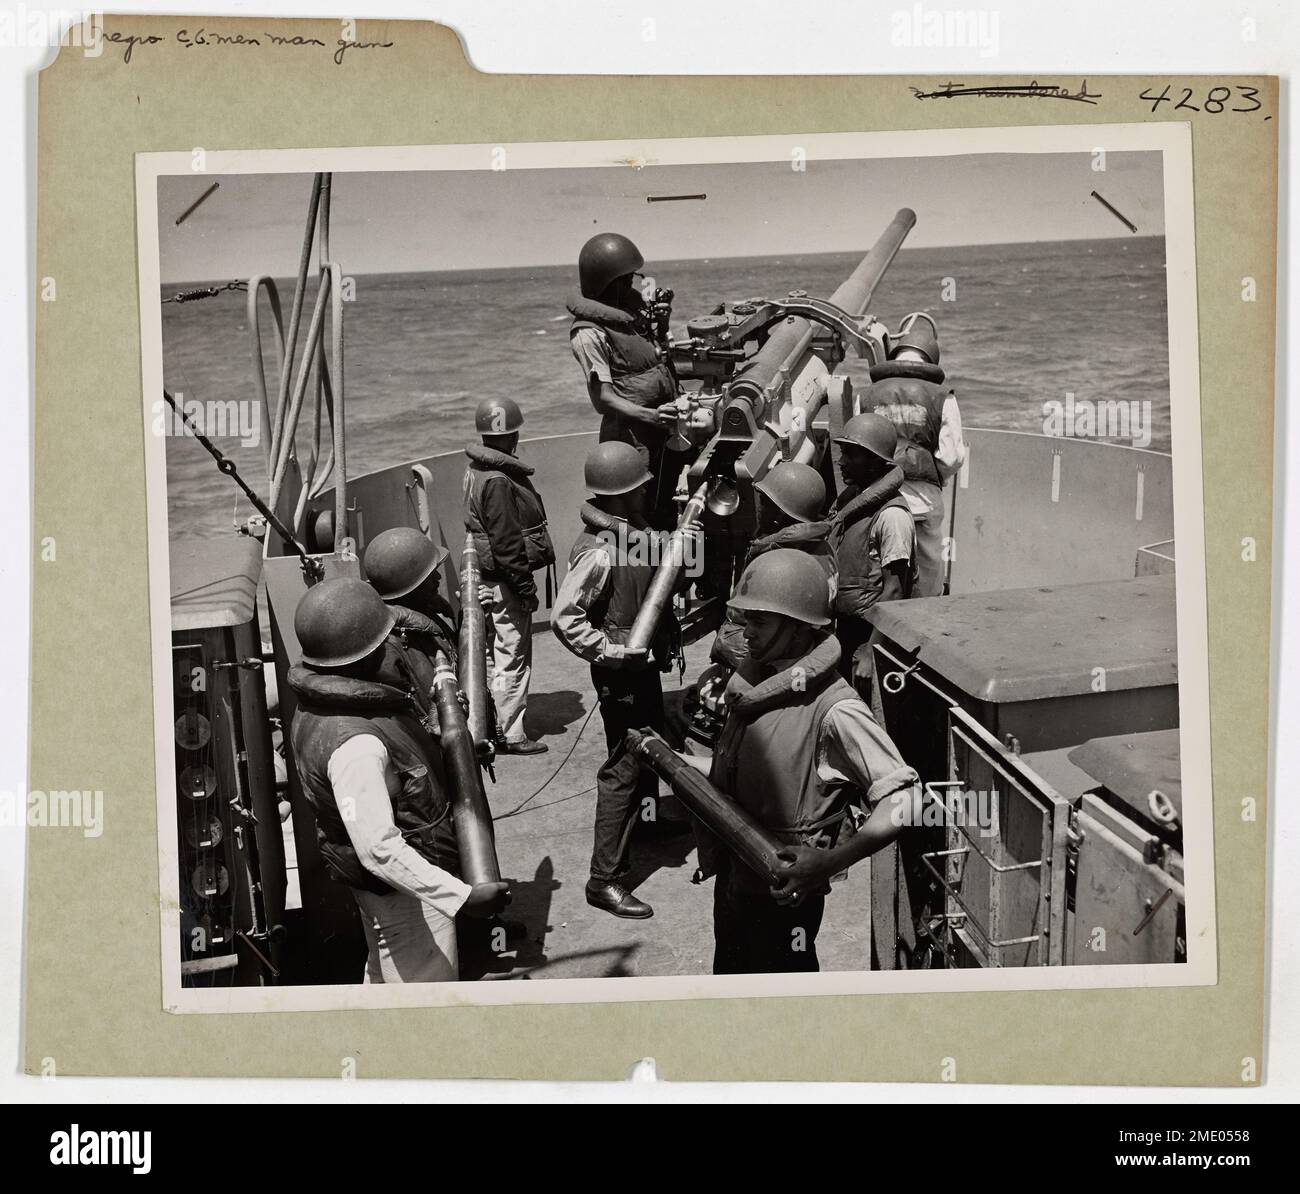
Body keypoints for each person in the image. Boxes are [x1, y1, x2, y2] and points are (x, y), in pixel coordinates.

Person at [683, 549, 921, 975]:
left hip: (783, 906)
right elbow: (738, 777)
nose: (745, 632)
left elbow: (905, 798)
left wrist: (832, 861)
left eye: (759, 621)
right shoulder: (758, 687)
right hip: (735, 888)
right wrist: (673, 763)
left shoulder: (835, 710)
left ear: (797, 628)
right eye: (745, 618)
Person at [286, 577, 508, 983]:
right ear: (367, 653)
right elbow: (379, 850)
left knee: (384, 970)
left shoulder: (320, 705)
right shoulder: (355, 744)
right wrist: (462, 898)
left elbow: (397, 769)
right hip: (406, 897)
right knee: (427, 999)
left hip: (384, 891)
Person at [550, 441, 679, 919]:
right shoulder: (601, 553)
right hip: (621, 672)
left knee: (646, 748)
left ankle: (644, 824)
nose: (647, 495)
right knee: (624, 768)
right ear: (623, 495)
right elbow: (566, 617)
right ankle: (604, 880)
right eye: (640, 489)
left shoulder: (631, 533)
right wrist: (609, 652)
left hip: (638, 667)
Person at [567, 232, 683, 530]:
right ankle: (642, 572)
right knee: (635, 514)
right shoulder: (589, 333)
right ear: (607, 283)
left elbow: (657, 358)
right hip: (631, 439)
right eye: (625, 280)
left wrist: (663, 323)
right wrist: (651, 415)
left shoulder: (630, 317)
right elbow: (602, 399)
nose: (632, 285)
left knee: (665, 502)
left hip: (658, 428)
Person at [463, 396, 556, 756]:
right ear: (514, 434)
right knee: (511, 655)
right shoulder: (499, 480)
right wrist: (525, 589)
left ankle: (484, 725)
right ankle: (511, 733)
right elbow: (506, 544)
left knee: (489, 655)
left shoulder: (475, 471)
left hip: (486, 578)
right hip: (504, 582)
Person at [864, 314, 966, 597]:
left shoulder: (867, 395)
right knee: (929, 568)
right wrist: (932, 478)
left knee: (878, 564)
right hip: (923, 500)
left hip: (879, 498)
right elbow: (952, 456)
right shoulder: (942, 396)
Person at [710, 460, 838, 672]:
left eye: (766, 503)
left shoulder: (785, 561)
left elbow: (760, 622)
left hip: (778, 662)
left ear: (782, 514)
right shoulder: (822, 547)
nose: (759, 508)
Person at [827, 413, 916, 696]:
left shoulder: (892, 517)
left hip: (870, 636)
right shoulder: (851, 502)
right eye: (842, 452)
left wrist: (870, 652)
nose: (841, 461)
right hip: (846, 631)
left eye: (852, 454)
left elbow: (894, 593)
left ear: (877, 461)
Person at [363, 525, 458, 674]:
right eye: (430, 574)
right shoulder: (391, 647)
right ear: (411, 586)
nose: (438, 578)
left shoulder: (426, 611)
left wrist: (471, 623)